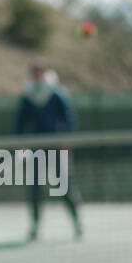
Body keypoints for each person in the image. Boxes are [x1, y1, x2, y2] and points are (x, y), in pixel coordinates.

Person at [14, 63, 83, 240]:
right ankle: (35, 226)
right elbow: (20, 123)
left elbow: (69, 118)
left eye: (40, 72)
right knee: (35, 189)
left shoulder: (57, 93)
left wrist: (67, 140)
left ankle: (77, 222)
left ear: (45, 73)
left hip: (57, 147)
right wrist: (20, 143)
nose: (37, 75)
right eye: (34, 73)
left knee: (65, 187)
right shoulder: (28, 96)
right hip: (37, 149)